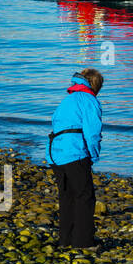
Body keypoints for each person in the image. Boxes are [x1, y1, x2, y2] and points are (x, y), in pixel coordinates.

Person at [47, 68, 104, 249]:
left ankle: (65, 240)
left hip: (55, 152)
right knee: (85, 196)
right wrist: (93, 155)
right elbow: (93, 133)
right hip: (75, 152)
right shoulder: (89, 100)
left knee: (67, 197)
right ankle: (83, 242)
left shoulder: (67, 99)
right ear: (95, 86)